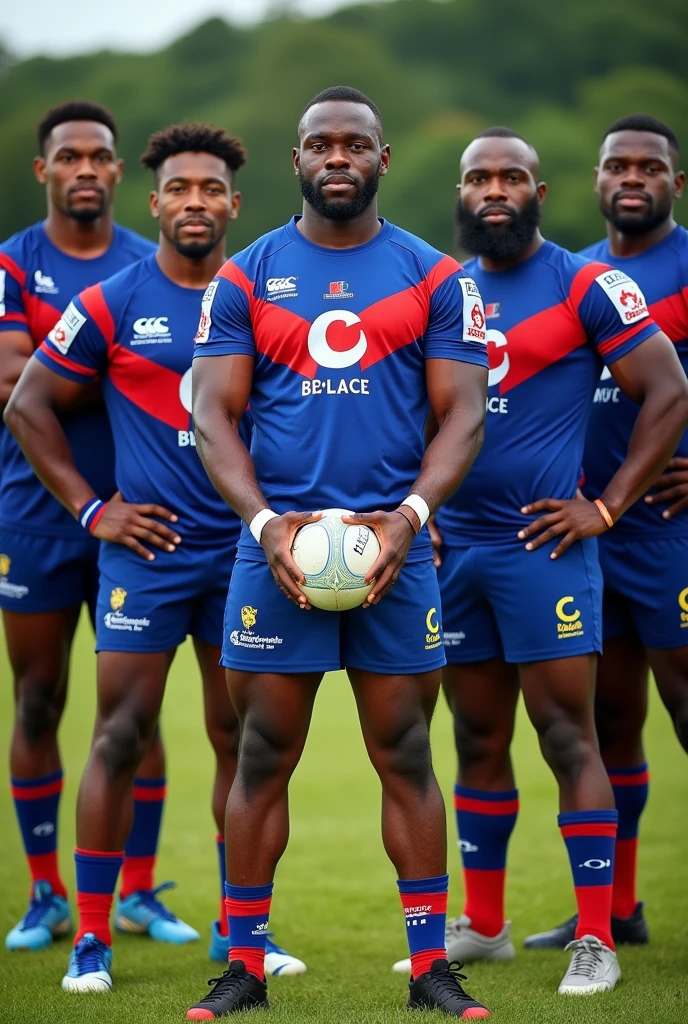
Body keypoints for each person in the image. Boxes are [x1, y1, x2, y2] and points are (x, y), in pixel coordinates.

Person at [185, 85, 491, 1020]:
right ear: (299, 160)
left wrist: (403, 520)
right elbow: (211, 415)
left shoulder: (436, 277)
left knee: (405, 751)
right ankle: (244, 964)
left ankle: (432, 966)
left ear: (383, 160)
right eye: (322, 145)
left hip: (397, 553)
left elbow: (465, 415)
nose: (339, 159)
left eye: (356, 145)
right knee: (261, 755)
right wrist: (269, 527)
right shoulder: (243, 276)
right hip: (273, 555)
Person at [5, 122, 306, 992]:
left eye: (212, 189)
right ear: (158, 202)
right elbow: (29, 404)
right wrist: (94, 509)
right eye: (180, 189)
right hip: (149, 553)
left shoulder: (264, 298)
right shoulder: (112, 300)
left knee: (242, 741)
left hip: (246, 553)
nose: (197, 202)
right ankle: (91, 938)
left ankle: (239, 932)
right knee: (118, 735)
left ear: (235, 204)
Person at [391, 126, 688, 996]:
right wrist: (418, 511)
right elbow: (413, 411)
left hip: (546, 550)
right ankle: (484, 926)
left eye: (511, 176)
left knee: (570, 736)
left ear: (541, 192)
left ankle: (596, 937)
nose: (495, 189)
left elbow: (667, 390)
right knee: (476, 738)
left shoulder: (588, 283)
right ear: (459, 190)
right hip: (457, 552)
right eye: (479, 176)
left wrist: (605, 506)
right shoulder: (441, 290)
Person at [0, 100, 195, 952]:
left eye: (100, 157)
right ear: (43, 170)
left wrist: (92, 357)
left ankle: (140, 893)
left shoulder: (154, 264)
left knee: (136, 715)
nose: (85, 168)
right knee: (38, 699)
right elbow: (17, 387)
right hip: (38, 516)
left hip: (144, 519)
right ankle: (45, 892)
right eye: (68, 157)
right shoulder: (13, 264)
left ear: (122, 174)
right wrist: (120, 366)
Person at [524, 114, 688, 950]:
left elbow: (670, 390)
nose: (632, 178)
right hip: (584, 535)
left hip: (670, 531)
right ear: (593, 181)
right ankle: (619, 911)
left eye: (649, 166)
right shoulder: (576, 274)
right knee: (612, 723)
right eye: (617, 165)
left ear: (674, 182)